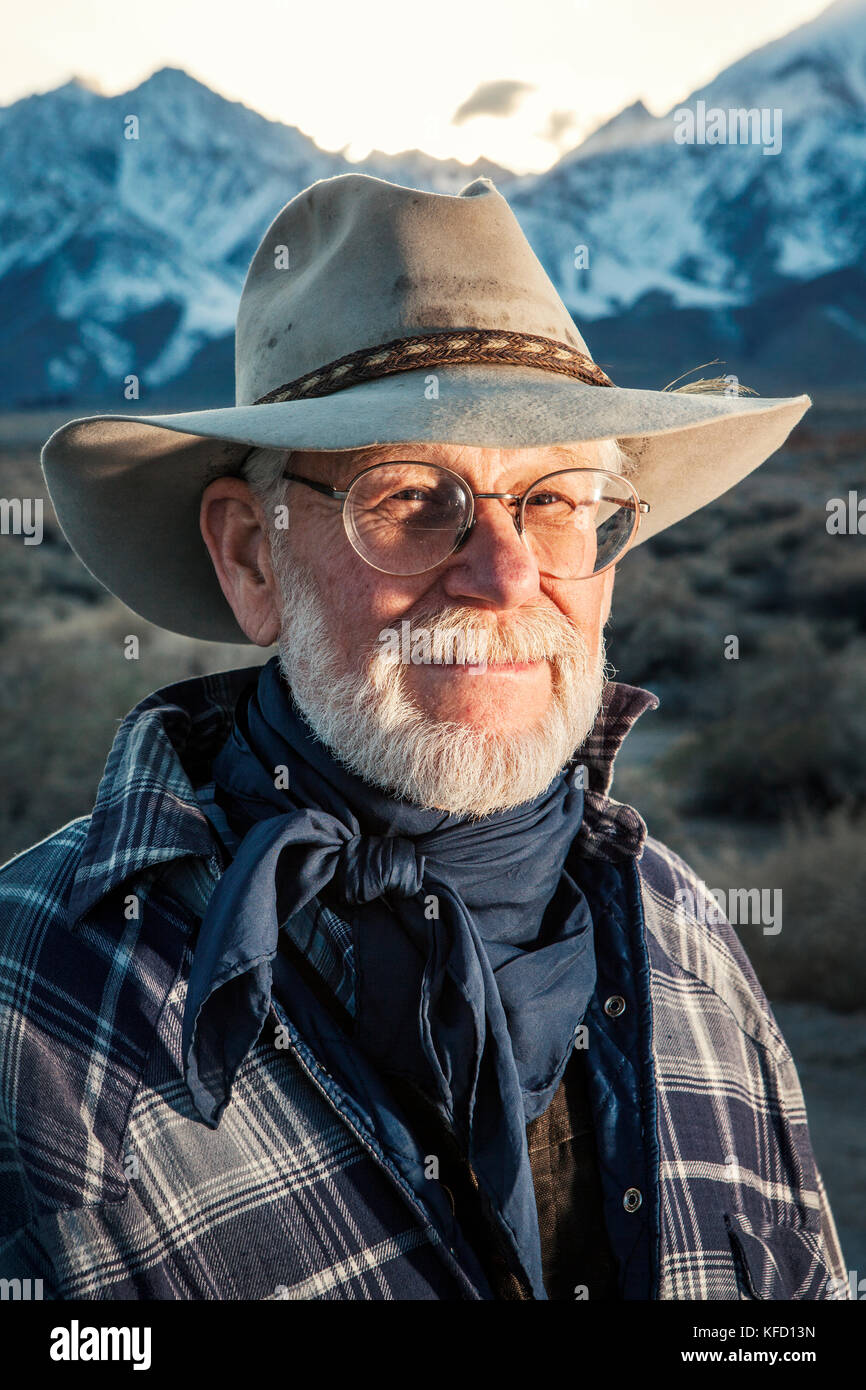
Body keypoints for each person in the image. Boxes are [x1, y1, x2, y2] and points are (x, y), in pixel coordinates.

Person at [0, 172, 847, 1300]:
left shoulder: (681, 932)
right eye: (407, 497)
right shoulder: (34, 1014)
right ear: (253, 556)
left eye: (552, 500)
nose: (503, 577)